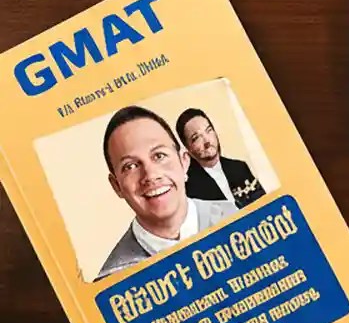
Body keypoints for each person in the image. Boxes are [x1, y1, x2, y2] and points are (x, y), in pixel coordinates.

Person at [96, 106, 237, 281]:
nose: (150, 175)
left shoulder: (236, 219)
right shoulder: (113, 281)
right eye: (130, 166)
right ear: (117, 186)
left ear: (184, 162)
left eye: (159, 156)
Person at [175, 107, 265, 209]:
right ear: (188, 149)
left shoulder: (239, 168)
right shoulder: (188, 189)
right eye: (196, 138)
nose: (207, 141)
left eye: (208, 130)